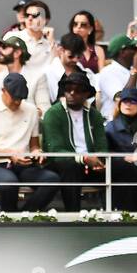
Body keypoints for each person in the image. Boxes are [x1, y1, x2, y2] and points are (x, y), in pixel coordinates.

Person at [0, 73, 54, 212]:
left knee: (52, 180)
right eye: (14, 97)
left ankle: (25, 216)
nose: (17, 102)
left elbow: (34, 145)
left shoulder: (31, 110)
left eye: (21, 98)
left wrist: (36, 152)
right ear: (3, 91)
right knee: (9, 182)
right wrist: (9, 154)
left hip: (23, 163)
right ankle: (10, 219)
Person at [40, 71, 107, 212]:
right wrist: (84, 158)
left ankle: (120, 213)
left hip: (92, 165)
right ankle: (74, 215)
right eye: (67, 89)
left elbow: (102, 145)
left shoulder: (94, 114)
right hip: (62, 165)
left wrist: (101, 161)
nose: (71, 93)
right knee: (71, 167)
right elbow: (55, 151)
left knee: (121, 167)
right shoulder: (53, 113)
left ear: (86, 94)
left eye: (77, 90)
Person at [95, 35, 137, 121]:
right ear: (122, 52)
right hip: (117, 122)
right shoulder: (107, 72)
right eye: (134, 48)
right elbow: (125, 101)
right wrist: (135, 69)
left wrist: (136, 105)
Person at [0, 34, 50, 118]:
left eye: (4, 47)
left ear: (17, 53)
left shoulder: (38, 77)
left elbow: (45, 110)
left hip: (26, 127)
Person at [44, 33, 96, 104]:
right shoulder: (48, 73)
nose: (75, 60)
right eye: (71, 56)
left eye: (79, 57)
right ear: (61, 50)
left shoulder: (86, 73)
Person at [69, 10, 105, 74]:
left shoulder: (98, 50)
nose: (78, 27)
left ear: (90, 29)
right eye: (75, 24)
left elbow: (102, 75)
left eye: (83, 25)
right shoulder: (66, 49)